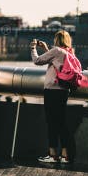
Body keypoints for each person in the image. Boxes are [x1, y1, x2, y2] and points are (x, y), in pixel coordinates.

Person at [30, 30, 76, 164]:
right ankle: (65, 155)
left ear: (57, 40)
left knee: (51, 122)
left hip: (52, 90)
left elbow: (37, 60)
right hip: (63, 90)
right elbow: (55, 61)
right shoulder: (69, 52)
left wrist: (33, 48)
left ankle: (52, 154)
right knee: (62, 123)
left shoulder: (56, 51)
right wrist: (45, 49)